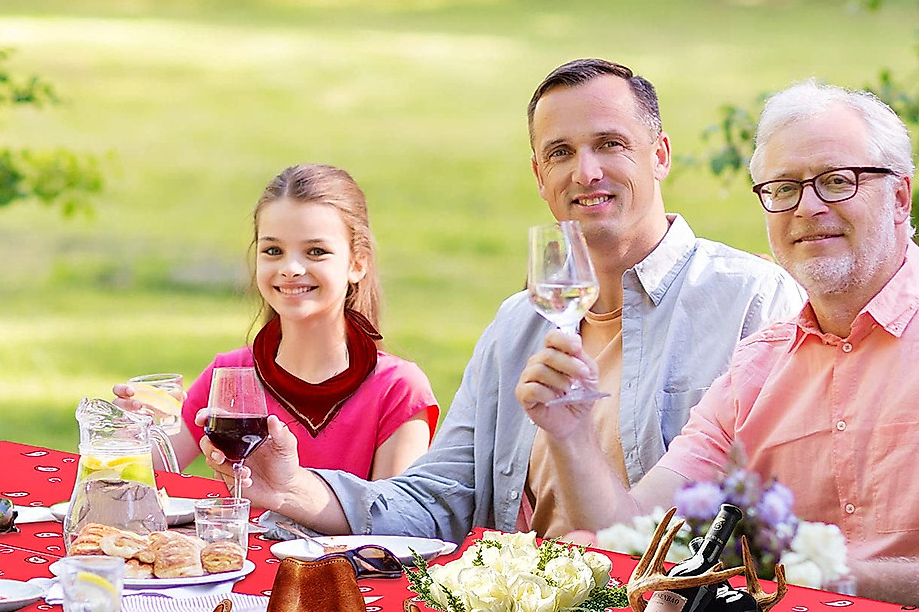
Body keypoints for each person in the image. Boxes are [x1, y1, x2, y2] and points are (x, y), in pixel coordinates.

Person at [207, 60, 802, 540]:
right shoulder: (519, 324)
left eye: (610, 144)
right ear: (539, 176)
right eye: (560, 152)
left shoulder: (751, 300)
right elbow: (436, 499)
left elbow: (769, 517)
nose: (586, 171)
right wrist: (293, 488)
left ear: (660, 155)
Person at [517, 80, 918, 604]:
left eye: (837, 181)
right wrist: (570, 435)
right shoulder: (757, 367)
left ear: (899, 197)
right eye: (783, 189)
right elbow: (629, 536)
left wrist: (834, 577)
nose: (807, 207)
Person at [115, 163, 438, 480]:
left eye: (315, 251)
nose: (290, 268)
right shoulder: (229, 376)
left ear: (357, 264)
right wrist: (129, 433)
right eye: (273, 250)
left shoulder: (398, 390)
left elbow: (391, 513)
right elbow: (137, 478)